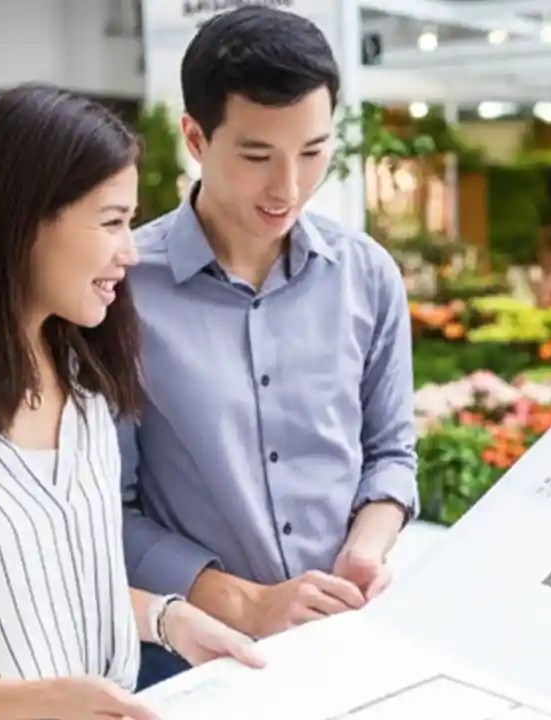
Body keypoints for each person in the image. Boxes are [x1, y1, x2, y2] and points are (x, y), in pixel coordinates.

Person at [0, 83, 263, 720]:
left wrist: (169, 620)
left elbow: (50, 584)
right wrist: (41, 702)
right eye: (112, 221)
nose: (131, 250)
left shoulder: (84, 383)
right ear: (24, 219)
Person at [119, 6, 418, 686]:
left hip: (344, 642)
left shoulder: (367, 277)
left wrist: (367, 549)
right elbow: (103, 509)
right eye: (257, 156)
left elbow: (391, 453)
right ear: (195, 137)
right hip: (187, 658)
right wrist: (249, 603)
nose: (288, 188)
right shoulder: (122, 289)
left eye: (313, 152)